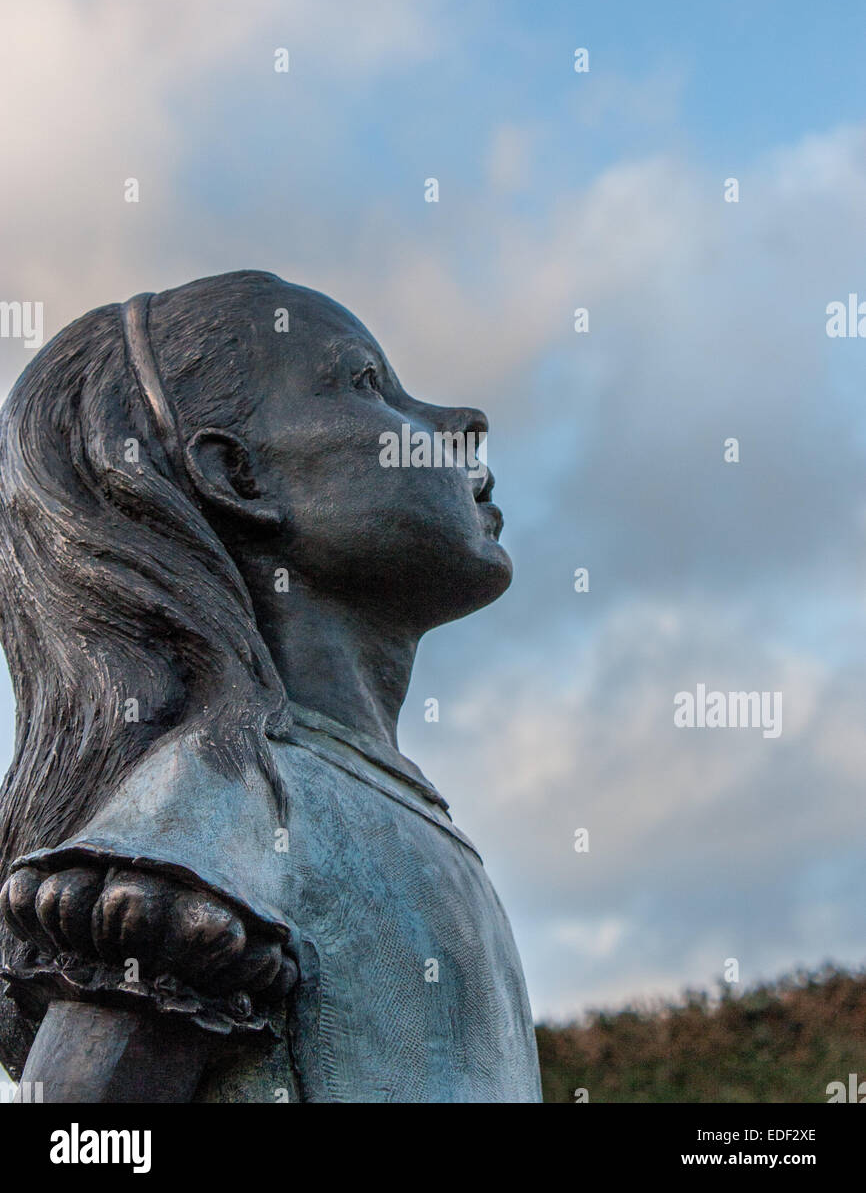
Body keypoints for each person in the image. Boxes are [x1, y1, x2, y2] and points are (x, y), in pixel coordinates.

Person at [0, 271, 541, 1102]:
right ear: (236, 475)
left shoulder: (398, 812)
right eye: (368, 385)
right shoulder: (220, 805)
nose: (463, 423)